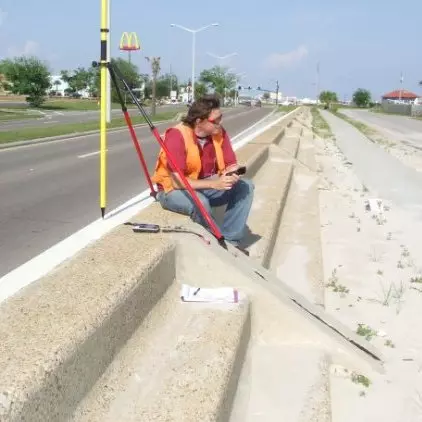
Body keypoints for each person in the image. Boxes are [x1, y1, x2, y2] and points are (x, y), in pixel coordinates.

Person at [151, 94, 254, 253]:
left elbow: (230, 162)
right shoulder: (177, 135)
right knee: (201, 203)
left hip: (203, 186)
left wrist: (233, 171)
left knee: (246, 186)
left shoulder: (219, 133)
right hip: (173, 189)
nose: (220, 123)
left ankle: (231, 242)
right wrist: (215, 184)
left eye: (221, 118)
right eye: (216, 120)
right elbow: (178, 182)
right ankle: (215, 245)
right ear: (199, 121)